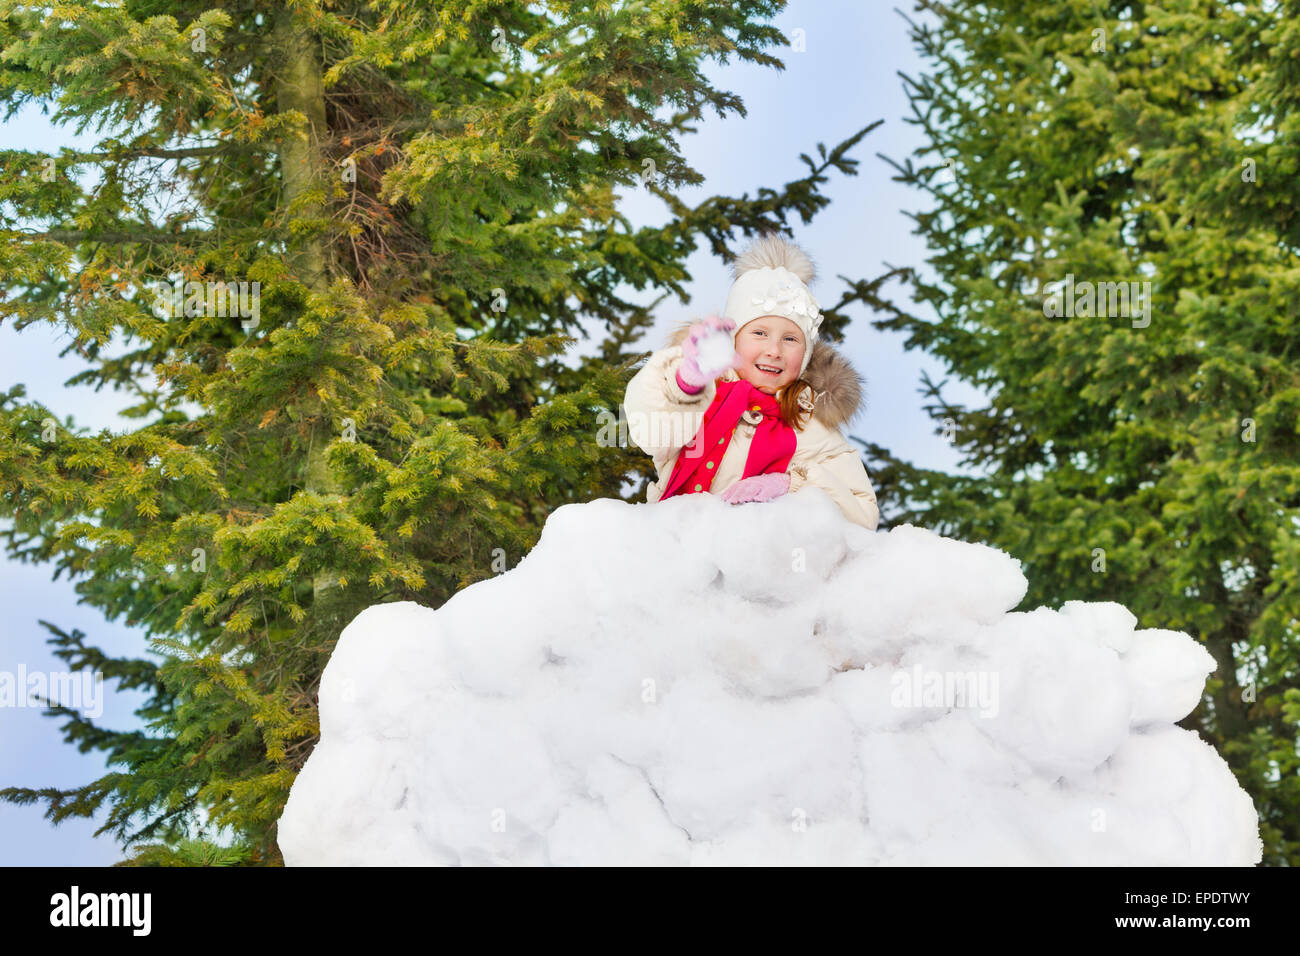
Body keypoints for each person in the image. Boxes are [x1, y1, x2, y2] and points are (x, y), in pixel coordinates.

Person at [623, 233, 880, 531]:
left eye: (790, 339)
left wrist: (792, 484)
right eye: (759, 333)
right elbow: (650, 430)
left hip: (753, 567)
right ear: (734, 339)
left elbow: (863, 514)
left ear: (806, 354)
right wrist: (686, 384)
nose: (774, 350)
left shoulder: (812, 426)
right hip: (674, 551)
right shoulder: (705, 396)